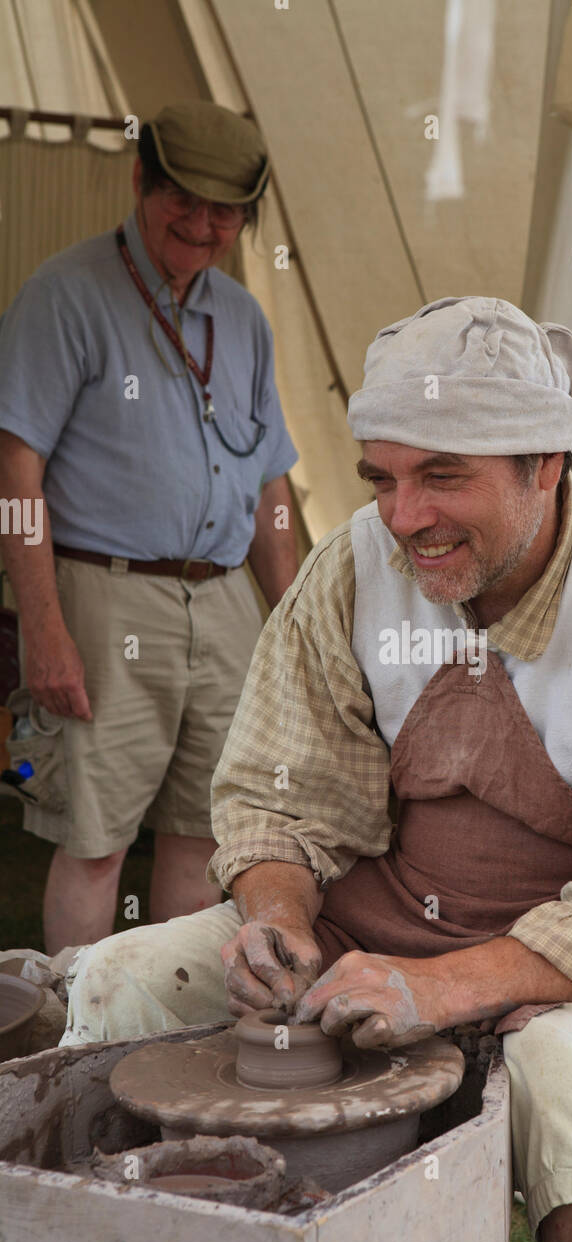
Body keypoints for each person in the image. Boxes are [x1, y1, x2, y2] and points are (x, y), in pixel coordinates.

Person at [60, 296, 572, 1242]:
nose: (404, 518)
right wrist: (277, 919)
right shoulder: (357, 566)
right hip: (379, 934)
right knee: (115, 980)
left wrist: (448, 987)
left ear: (543, 464)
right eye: (383, 478)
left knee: (570, 1081)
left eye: (443, 476)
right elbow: (279, 797)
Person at [0, 101, 299, 953]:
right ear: (141, 180)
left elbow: (272, 487)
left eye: (225, 211)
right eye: (185, 200)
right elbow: (14, 473)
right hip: (104, 597)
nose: (203, 226)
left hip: (228, 602)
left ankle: (163, 1040)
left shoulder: (243, 318)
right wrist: (43, 626)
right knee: (93, 844)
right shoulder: (66, 294)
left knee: (205, 839)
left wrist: (290, 629)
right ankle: (73, 1056)